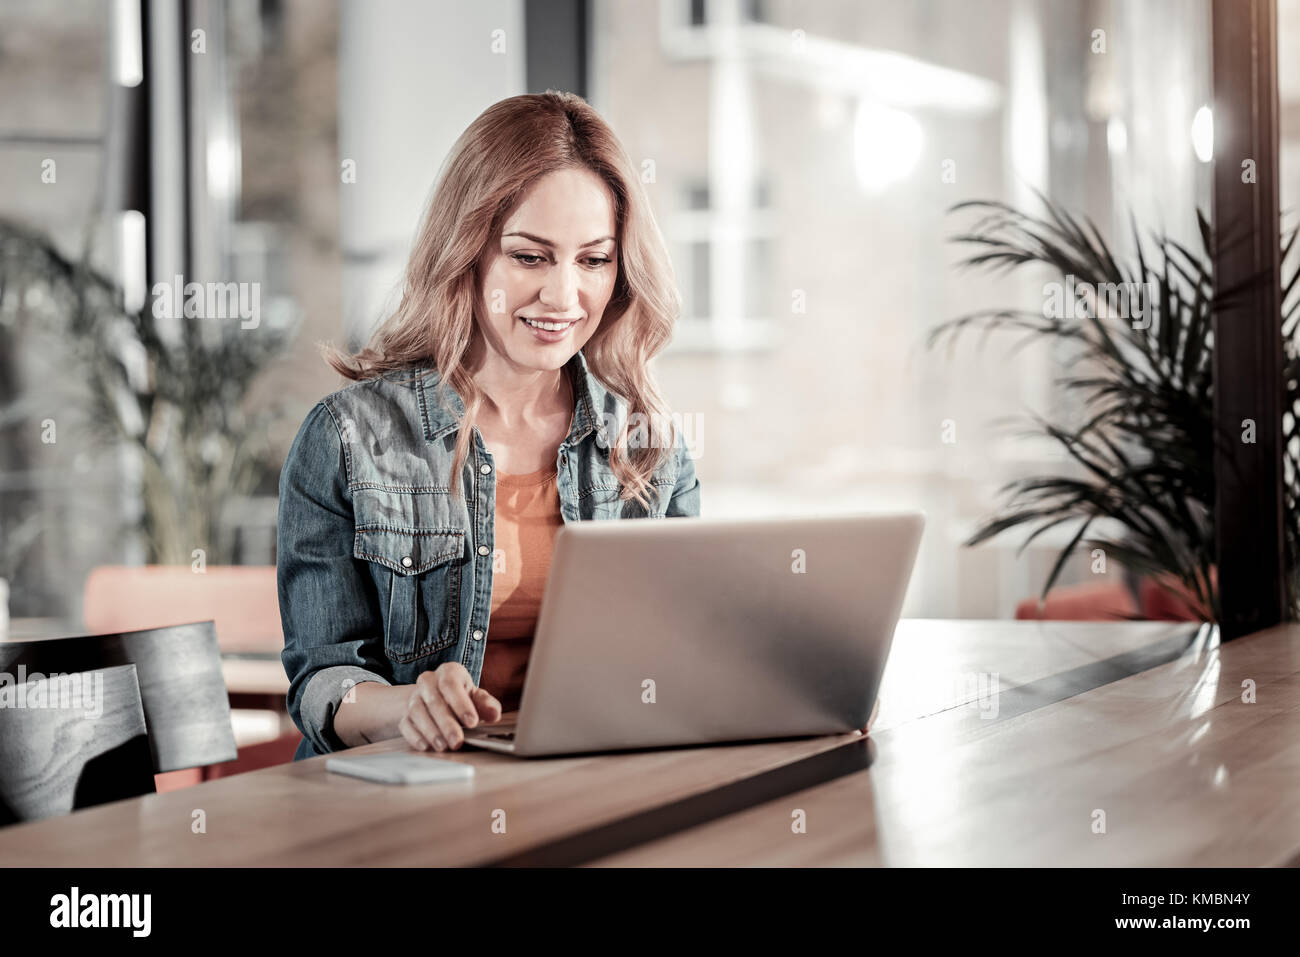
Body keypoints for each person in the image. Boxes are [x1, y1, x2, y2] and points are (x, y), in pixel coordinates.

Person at [277, 91, 700, 760]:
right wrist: (406, 706)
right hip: (401, 803)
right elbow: (322, 680)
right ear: (468, 251)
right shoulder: (347, 439)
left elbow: (686, 645)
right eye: (530, 256)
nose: (564, 296)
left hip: (584, 780)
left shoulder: (644, 445)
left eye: (593, 260)